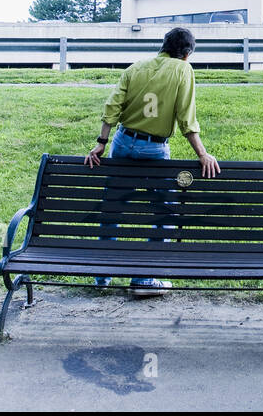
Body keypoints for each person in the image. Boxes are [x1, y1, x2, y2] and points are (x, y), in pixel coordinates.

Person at [83, 26, 220, 297]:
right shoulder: (183, 70)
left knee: (114, 208)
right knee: (163, 213)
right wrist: (202, 154)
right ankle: (144, 278)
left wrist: (101, 142)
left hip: (123, 142)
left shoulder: (136, 67)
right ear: (187, 54)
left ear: (163, 46)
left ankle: (102, 273)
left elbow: (112, 107)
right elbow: (186, 119)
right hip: (154, 150)